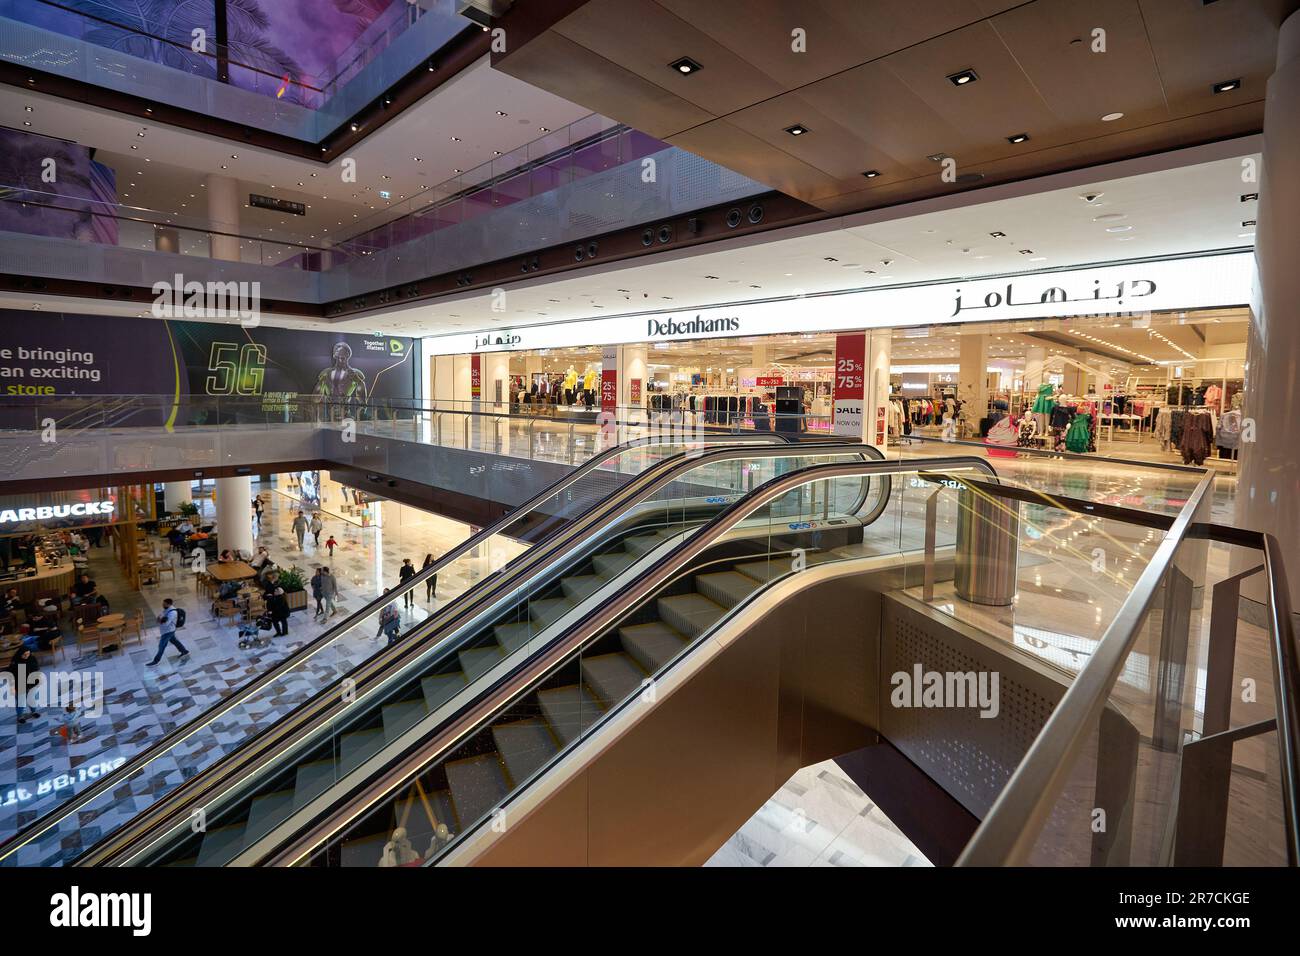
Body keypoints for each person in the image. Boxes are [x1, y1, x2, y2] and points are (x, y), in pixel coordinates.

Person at [147, 598, 189, 667]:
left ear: (169, 604)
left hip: (168, 631)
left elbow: (166, 623)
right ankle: (184, 651)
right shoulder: (167, 609)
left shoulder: (172, 612)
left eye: (164, 604)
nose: (162, 605)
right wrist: (160, 619)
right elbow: (160, 617)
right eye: (163, 603)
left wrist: (160, 620)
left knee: (161, 646)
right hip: (167, 630)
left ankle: (156, 661)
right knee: (174, 641)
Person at [7, 645, 39, 722]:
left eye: (28, 654)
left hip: (31, 682)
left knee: (31, 699)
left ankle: (33, 711)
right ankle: (20, 716)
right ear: (20, 653)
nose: (26, 656)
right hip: (20, 683)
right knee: (21, 700)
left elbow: (36, 669)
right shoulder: (15, 661)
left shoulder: (32, 659)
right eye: (24, 654)